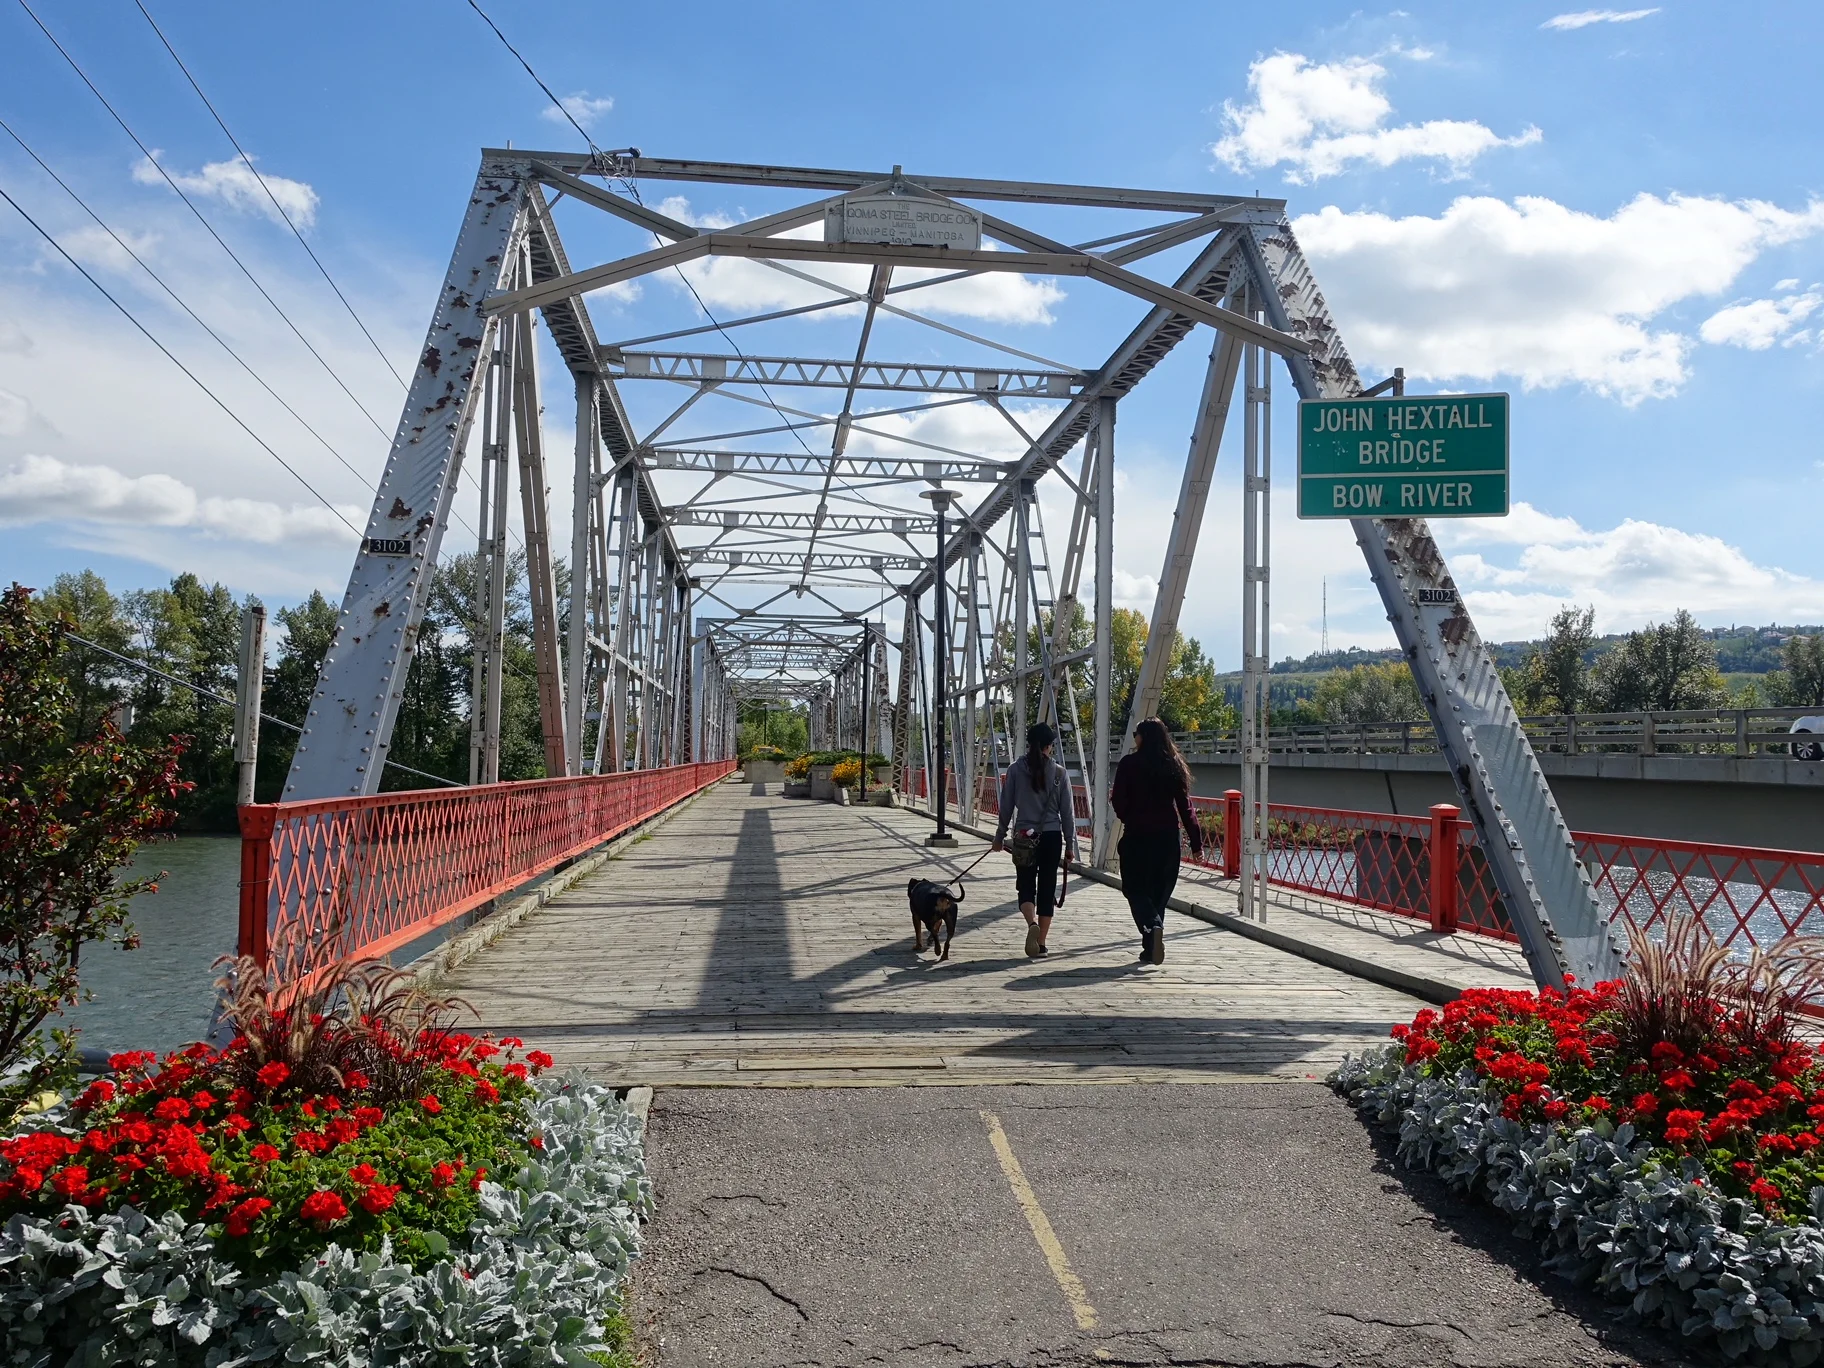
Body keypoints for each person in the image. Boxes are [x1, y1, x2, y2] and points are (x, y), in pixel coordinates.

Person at [1111, 718, 1203, 966]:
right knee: (1159, 893)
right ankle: (1150, 947)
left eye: (1135, 734)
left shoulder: (1129, 764)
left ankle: (1151, 927)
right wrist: (1196, 843)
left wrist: (1130, 816)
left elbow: (1118, 800)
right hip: (1167, 837)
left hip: (1138, 835)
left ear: (1142, 737)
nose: (1134, 739)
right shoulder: (1173, 764)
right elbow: (1186, 807)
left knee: (1135, 888)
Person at [992, 722, 1078, 958]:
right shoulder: (1060, 774)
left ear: (1029, 744)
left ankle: (1031, 924)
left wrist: (999, 837)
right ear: (1050, 746)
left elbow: (1007, 806)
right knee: (1048, 887)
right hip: (1051, 837)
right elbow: (1067, 813)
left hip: (1023, 836)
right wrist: (1070, 844)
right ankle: (1040, 943)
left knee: (1026, 885)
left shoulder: (1015, 769)